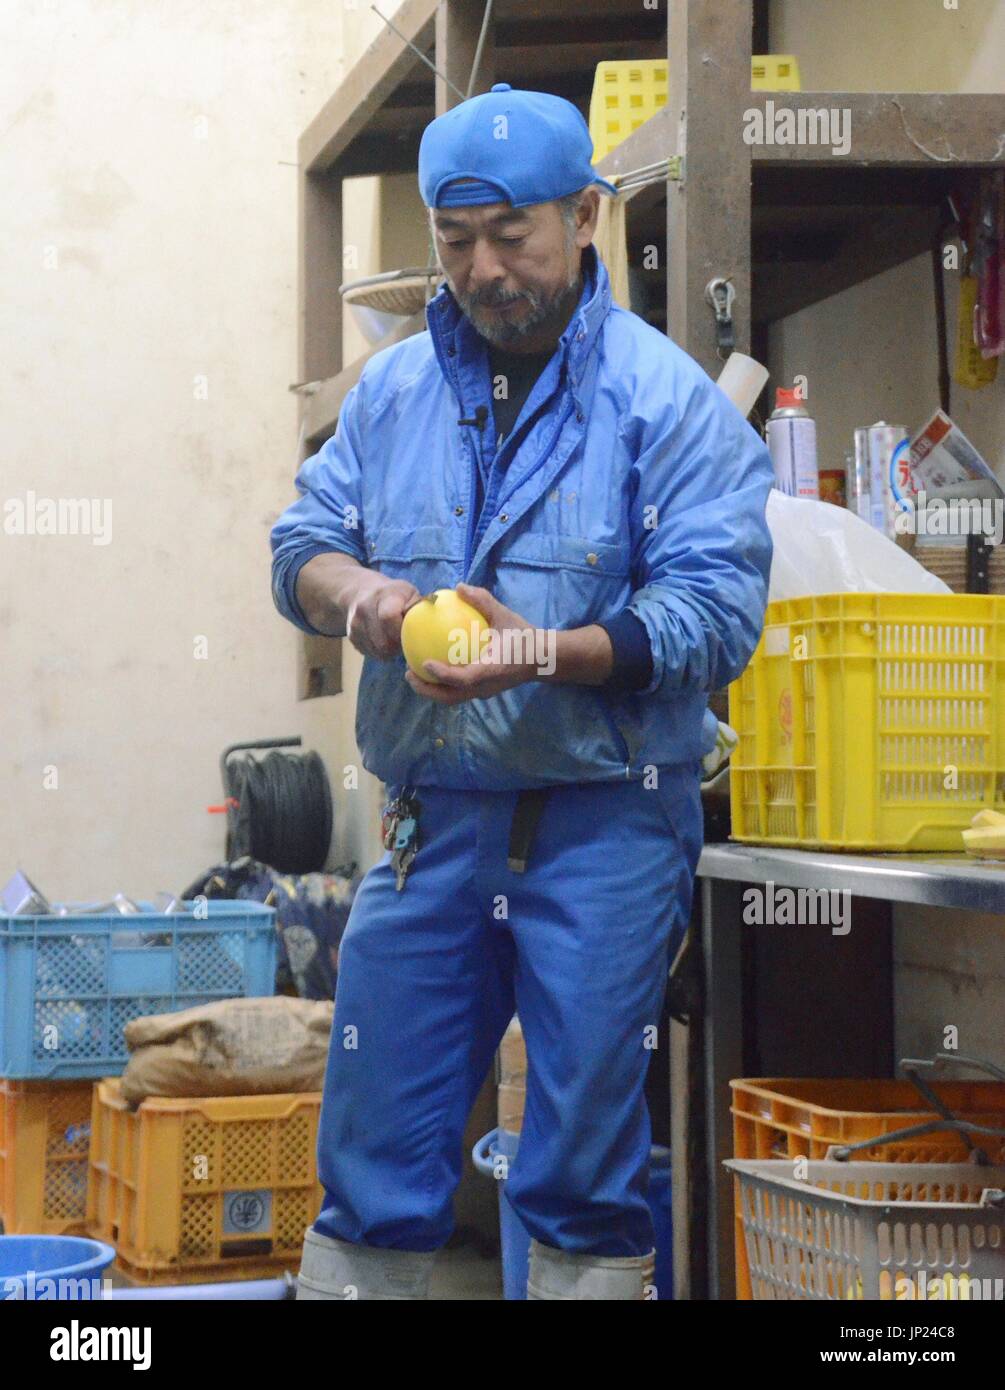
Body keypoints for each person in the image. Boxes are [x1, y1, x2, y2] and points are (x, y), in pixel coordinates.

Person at [271, 84, 773, 1301]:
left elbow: (717, 616)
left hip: (604, 824)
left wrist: (548, 651)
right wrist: (370, 604)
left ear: (587, 214)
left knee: (580, 1169)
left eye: (513, 236)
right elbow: (301, 546)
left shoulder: (667, 405)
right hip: (427, 828)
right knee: (375, 1152)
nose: (485, 270)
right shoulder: (390, 397)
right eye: (455, 241)